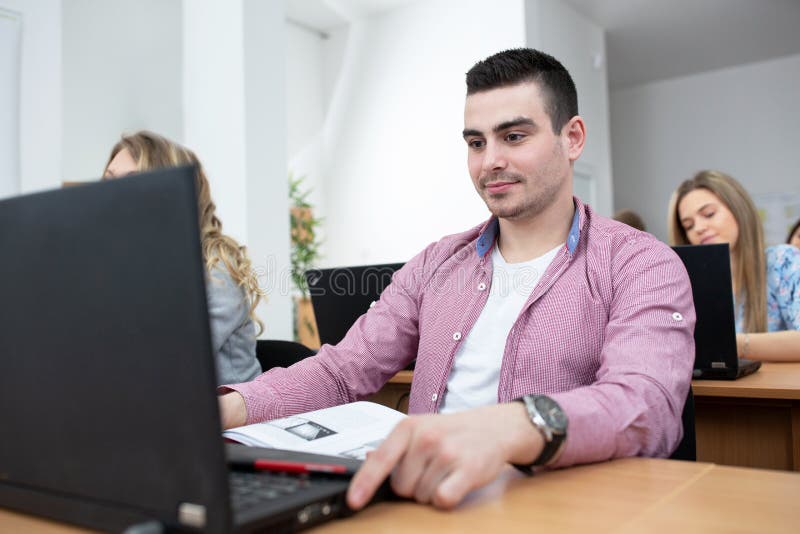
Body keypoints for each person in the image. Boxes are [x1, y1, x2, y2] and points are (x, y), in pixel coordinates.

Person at [219, 48, 695, 510]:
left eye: (513, 137)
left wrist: (510, 428)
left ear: (572, 138)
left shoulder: (641, 264)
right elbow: (342, 371)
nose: (490, 162)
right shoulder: (437, 263)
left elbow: (646, 407)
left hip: (556, 510)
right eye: (476, 143)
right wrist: (225, 409)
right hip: (424, 504)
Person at [103, 131, 264, 384]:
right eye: (108, 181)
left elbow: (162, 361)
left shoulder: (216, 267)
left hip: (226, 406)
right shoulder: (124, 262)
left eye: (130, 182)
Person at [668, 169, 800, 362]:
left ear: (739, 209)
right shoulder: (687, 284)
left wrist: (734, 344)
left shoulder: (783, 261)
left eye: (709, 214)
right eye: (689, 226)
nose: (699, 228)